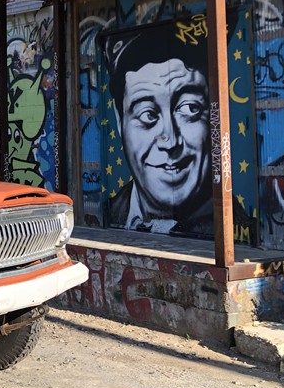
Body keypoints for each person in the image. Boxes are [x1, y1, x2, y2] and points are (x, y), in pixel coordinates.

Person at [102, 18, 250, 238]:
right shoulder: (102, 215)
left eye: (190, 108)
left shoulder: (242, 230)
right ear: (119, 118)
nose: (170, 141)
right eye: (148, 115)